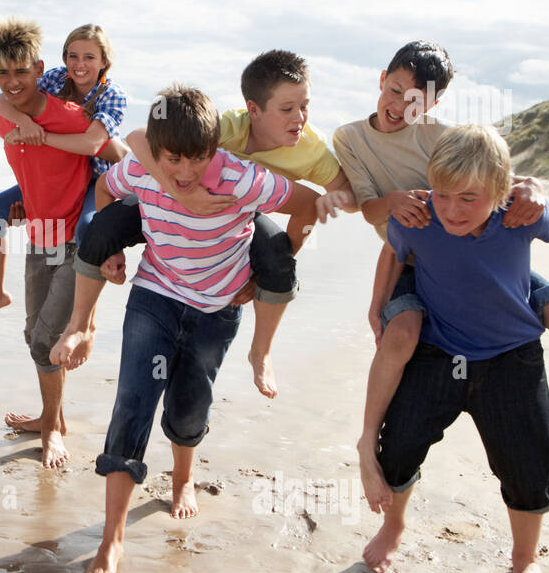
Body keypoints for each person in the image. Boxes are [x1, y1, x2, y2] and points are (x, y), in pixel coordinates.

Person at [333, 42, 549, 468]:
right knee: (401, 334)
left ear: (434, 104)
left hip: (479, 254)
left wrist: (535, 190)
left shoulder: (443, 136)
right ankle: (368, 439)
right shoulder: (350, 137)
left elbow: (497, 179)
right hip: (415, 260)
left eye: (416, 101)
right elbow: (366, 207)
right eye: (394, 90)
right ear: (382, 79)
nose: (399, 106)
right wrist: (393, 203)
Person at [68, 84, 317, 573]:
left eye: (197, 159)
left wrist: (264, 273)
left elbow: (309, 203)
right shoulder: (140, 169)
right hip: (154, 297)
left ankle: (183, 478)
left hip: (217, 308)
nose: (184, 172)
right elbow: (103, 192)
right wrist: (113, 250)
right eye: (173, 159)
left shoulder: (241, 177)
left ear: (215, 149)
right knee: (132, 403)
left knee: (188, 408)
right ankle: (111, 537)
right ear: (155, 154)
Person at [359, 125, 549, 573]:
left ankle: (525, 558)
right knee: (400, 444)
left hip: (512, 356)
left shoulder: (519, 213)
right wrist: (377, 304)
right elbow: (392, 249)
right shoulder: (418, 217)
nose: (451, 210)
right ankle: (394, 527)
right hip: (438, 349)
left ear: (499, 190)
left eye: (468, 199)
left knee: (529, 464)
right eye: (443, 195)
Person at [51, 49, 357, 395]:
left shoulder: (311, 149)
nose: (299, 118)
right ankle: (81, 325)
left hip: (238, 210)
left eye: (305, 106)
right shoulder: (224, 127)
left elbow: (347, 197)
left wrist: (357, 194)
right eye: (287, 109)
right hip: (173, 197)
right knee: (102, 227)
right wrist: (180, 193)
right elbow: (139, 138)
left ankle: (262, 352)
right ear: (253, 110)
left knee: (278, 256)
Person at [0, 16, 97, 467]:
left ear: (39, 68)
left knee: (48, 336)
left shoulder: (70, 116)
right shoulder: (0, 117)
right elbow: (36, 173)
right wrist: (26, 203)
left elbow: (113, 161)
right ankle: (55, 417)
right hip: (40, 237)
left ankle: (51, 431)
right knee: (35, 334)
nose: (13, 82)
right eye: (4, 72)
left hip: (75, 243)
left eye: (22, 72)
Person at [0, 24, 129, 335]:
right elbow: (4, 99)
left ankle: (87, 321)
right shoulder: (57, 78)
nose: (79, 64)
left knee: (88, 229)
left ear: (104, 61)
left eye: (89, 57)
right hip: (58, 172)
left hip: (93, 178)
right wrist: (21, 123)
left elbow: (94, 146)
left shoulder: (112, 95)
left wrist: (40, 137)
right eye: (73, 56)